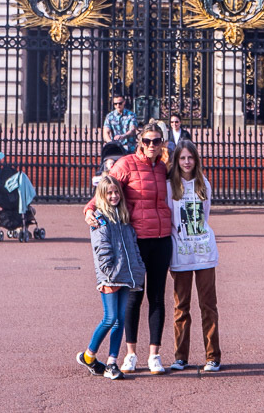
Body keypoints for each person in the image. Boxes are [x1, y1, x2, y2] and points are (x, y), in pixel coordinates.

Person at [84, 119, 172, 375]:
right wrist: (90, 208)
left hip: (161, 238)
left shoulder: (162, 167)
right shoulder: (126, 164)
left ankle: (154, 354)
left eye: (156, 141)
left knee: (157, 297)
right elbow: (106, 189)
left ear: (161, 143)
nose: (152, 145)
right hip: (136, 239)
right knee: (134, 296)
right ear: (140, 143)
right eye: (147, 141)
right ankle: (131, 353)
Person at [77, 174, 145, 381]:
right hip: (110, 276)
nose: (114, 196)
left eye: (117, 192)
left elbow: (133, 245)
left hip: (127, 273)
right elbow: (102, 249)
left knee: (120, 320)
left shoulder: (123, 217)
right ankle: (89, 355)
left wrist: (139, 267)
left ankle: (112, 362)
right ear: (101, 196)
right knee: (110, 318)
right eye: (109, 193)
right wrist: (109, 271)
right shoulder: (99, 218)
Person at [167, 141, 221, 372]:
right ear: (176, 161)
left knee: (208, 305)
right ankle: (181, 356)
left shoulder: (203, 184)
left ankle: (213, 356)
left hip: (204, 251)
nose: (187, 162)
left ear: (196, 160)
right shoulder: (170, 186)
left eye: (190, 158)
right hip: (180, 252)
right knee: (181, 306)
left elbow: (205, 215)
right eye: (182, 158)